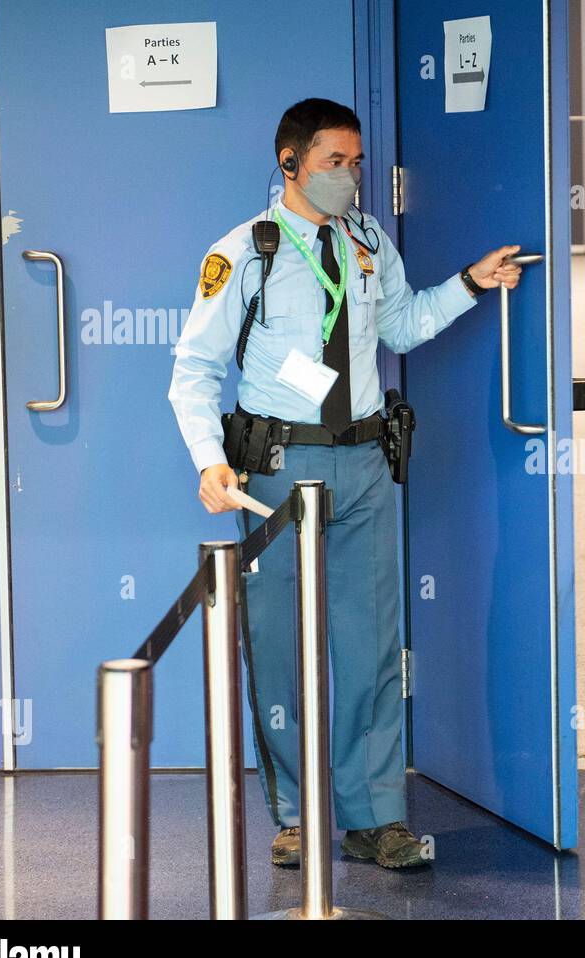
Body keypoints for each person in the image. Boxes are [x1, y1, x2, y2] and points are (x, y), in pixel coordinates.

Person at [168, 98, 522, 870]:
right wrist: (208, 459)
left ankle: (373, 817)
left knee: (369, 647)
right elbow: (193, 369)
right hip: (277, 471)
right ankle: (295, 813)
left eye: (358, 162)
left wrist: (468, 282)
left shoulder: (368, 241)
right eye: (336, 162)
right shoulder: (244, 253)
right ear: (290, 163)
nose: (351, 176)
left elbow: (400, 327)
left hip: (366, 464)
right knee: (278, 647)